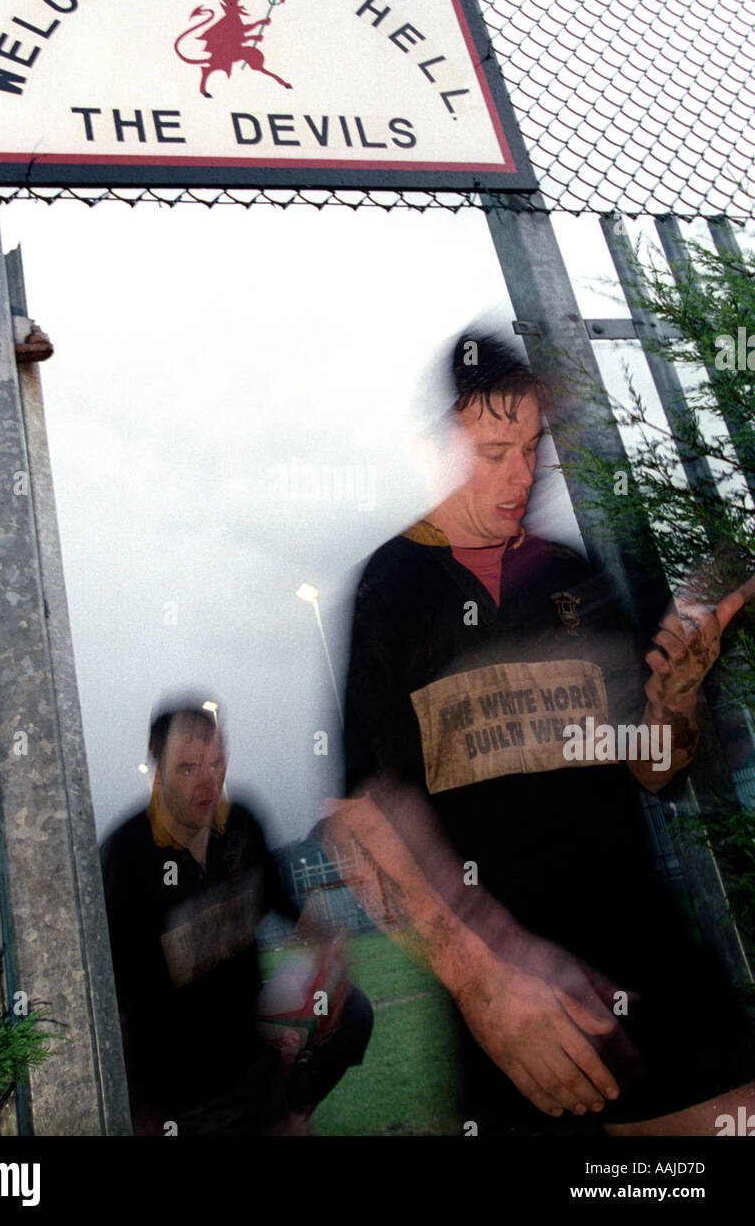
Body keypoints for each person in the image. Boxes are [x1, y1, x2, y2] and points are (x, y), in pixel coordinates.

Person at [328, 331, 755, 1136]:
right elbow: (368, 815)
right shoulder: (390, 590)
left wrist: (677, 701)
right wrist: (482, 978)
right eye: (495, 451)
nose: (522, 476)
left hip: (650, 967)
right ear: (439, 451)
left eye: (533, 447)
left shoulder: (572, 578)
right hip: (518, 1012)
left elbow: (655, 769)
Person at [100, 699, 372, 1135]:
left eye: (216, 763)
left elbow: (280, 900)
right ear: (156, 759)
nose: (207, 781)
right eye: (188, 768)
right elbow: (120, 997)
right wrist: (143, 1109)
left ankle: (292, 1113)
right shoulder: (129, 855)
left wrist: (330, 946)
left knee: (354, 1010)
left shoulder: (240, 823)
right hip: (183, 1091)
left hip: (252, 1059)